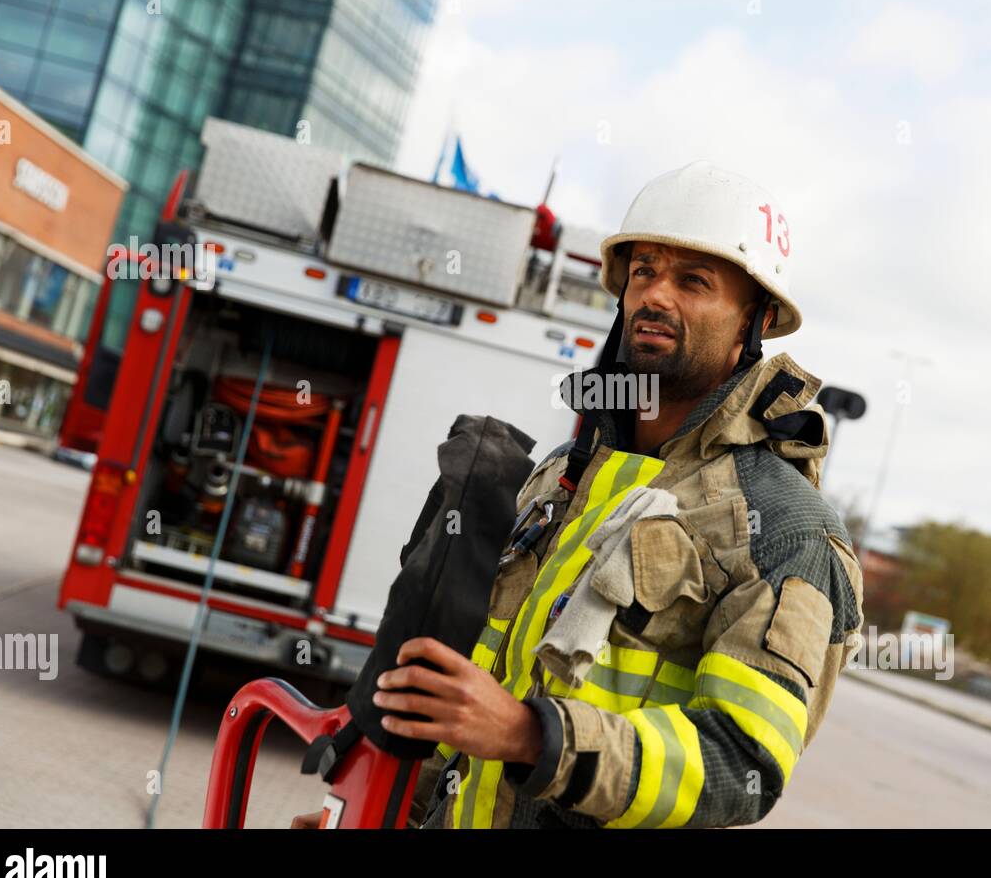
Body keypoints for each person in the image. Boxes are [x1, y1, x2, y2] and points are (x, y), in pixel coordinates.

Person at [294, 161, 863, 829]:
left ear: (756, 319)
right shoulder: (564, 476)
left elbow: (740, 768)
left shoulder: (786, 530)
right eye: (643, 272)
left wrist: (534, 737)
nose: (655, 296)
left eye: (694, 282)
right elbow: (472, 701)